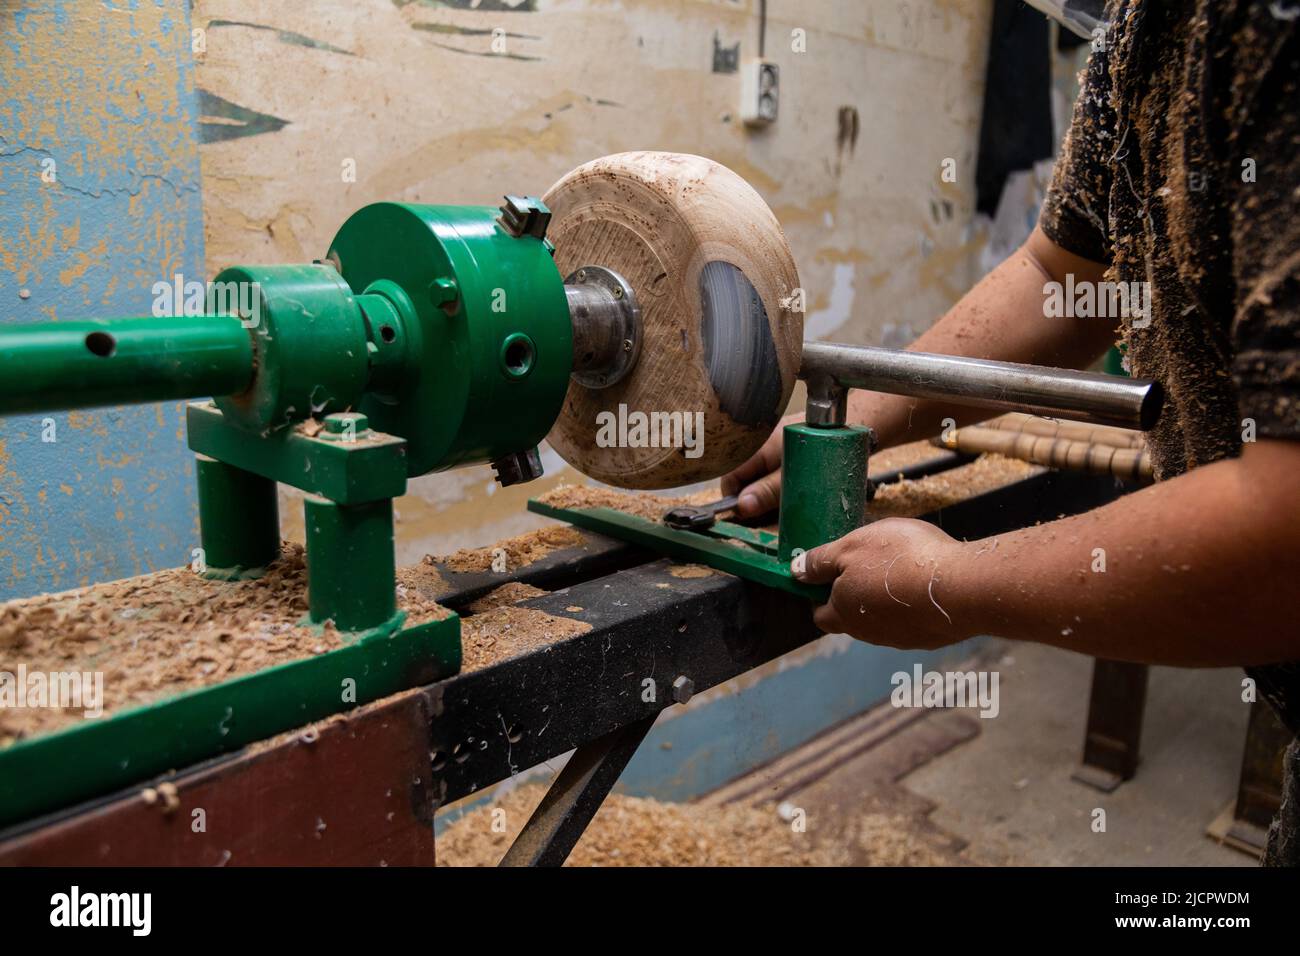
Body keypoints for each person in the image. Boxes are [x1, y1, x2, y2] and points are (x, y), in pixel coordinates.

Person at [722, 0, 1300, 865]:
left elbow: (1286, 532)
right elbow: (1059, 274)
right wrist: (857, 417)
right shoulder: (1134, 32)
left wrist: (952, 583)